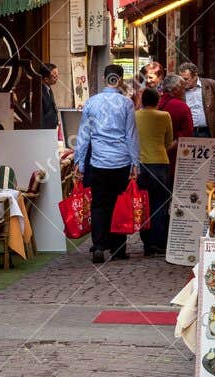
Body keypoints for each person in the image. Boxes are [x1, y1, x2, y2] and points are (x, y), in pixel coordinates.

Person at [73, 64, 140, 264]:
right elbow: (131, 135)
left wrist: (79, 163)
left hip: (99, 161)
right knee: (120, 203)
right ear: (120, 79)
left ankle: (99, 246)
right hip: (121, 160)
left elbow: (83, 135)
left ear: (104, 78)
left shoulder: (91, 102)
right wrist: (135, 162)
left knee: (100, 205)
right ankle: (118, 248)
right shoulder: (127, 103)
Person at [135, 88, 173, 254]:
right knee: (160, 203)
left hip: (142, 163)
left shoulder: (135, 116)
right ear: (158, 101)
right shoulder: (165, 116)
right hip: (160, 162)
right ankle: (158, 241)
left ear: (142, 101)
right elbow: (169, 141)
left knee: (144, 203)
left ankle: (147, 242)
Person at [178, 61, 215, 139]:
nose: (183, 82)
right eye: (181, 79)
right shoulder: (179, 90)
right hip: (189, 133)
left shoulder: (211, 85)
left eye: (186, 79)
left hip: (208, 132)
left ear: (195, 76)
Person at [159, 74, 194, 175]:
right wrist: (167, 150)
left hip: (152, 158)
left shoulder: (155, 102)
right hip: (175, 157)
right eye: (183, 88)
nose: (184, 92)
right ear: (175, 90)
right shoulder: (182, 107)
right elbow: (186, 136)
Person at [39, 63, 59, 131]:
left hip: (51, 129)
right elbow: (41, 116)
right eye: (54, 76)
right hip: (45, 131)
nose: (57, 77)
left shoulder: (48, 89)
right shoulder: (39, 91)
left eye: (57, 74)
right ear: (46, 79)